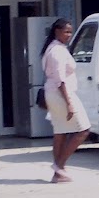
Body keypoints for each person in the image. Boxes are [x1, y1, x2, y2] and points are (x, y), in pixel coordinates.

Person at [41, 17, 91, 182]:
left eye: (71, 31)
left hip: (55, 94)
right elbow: (60, 79)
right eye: (66, 31)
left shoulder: (54, 48)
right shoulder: (57, 51)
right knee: (83, 130)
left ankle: (58, 174)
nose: (69, 35)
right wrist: (69, 103)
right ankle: (59, 166)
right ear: (57, 31)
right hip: (61, 94)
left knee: (60, 132)